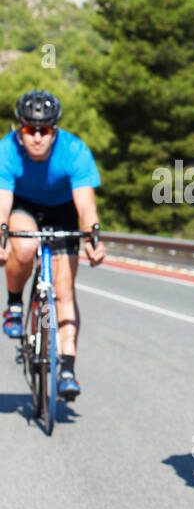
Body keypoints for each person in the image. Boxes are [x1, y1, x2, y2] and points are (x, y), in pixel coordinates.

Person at [0, 89, 106, 399]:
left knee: (64, 291)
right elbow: (3, 204)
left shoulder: (74, 150)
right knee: (23, 247)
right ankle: (15, 303)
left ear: (54, 130)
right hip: (24, 206)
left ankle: (67, 368)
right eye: (29, 130)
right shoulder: (7, 151)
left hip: (63, 211)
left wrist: (93, 237)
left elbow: (86, 206)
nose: (36, 137)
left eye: (44, 130)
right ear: (19, 128)